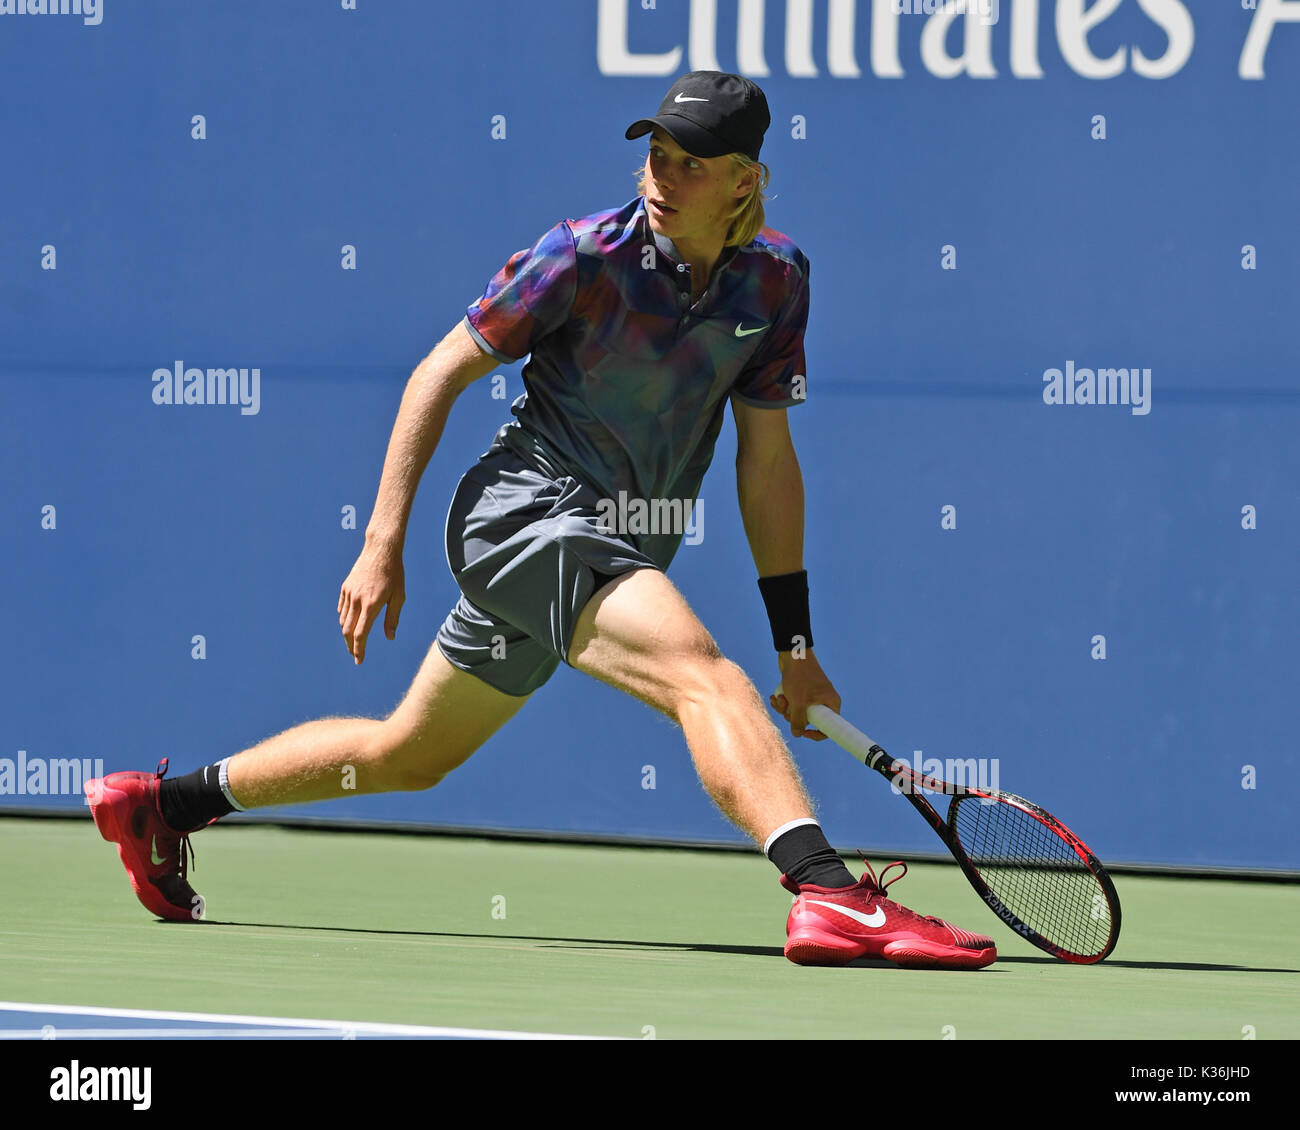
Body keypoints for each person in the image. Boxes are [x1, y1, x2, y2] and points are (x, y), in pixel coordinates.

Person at [86, 71, 995, 970]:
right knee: (701, 676)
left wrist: (795, 648)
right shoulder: (582, 254)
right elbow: (438, 373)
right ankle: (832, 895)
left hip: (614, 542)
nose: (660, 178)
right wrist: (381, 542)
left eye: (690, 164)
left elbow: (767, 466)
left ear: (745, 181)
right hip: (522, 514)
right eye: (656, 155)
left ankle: (161, 806)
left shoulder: (776, 284)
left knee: (407, 753)